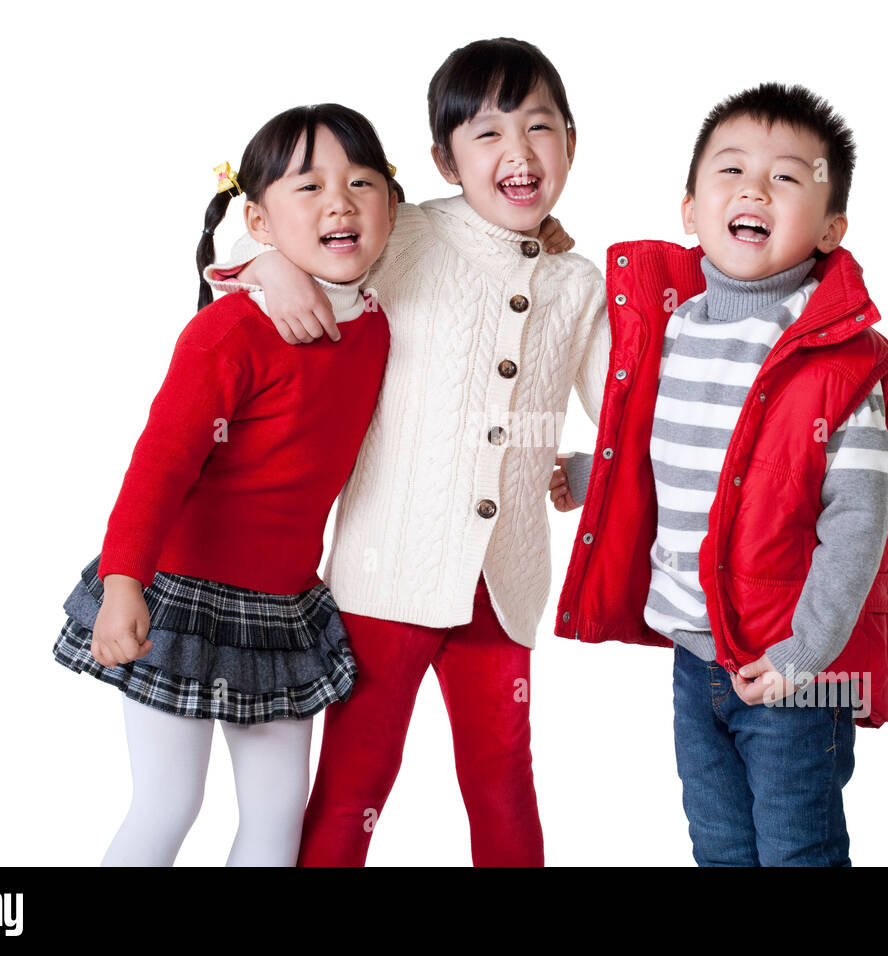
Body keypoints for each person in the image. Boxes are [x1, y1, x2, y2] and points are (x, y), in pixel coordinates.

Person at [203, 37, 606, 866]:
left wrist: (591, 467)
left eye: (540, 128)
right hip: (387, 573)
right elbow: (296, 231)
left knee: (501, 779)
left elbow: (622, 409)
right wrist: (269, 266)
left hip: (504, 581)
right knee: (357, 780)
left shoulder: (581, 283)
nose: (519, 152)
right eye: (487, 134)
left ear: (571, 141)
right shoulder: (406, 232)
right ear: (442, 160)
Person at [550, 82, 888, 866]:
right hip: (695, 660)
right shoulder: (672, 328)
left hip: (794, 672)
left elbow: (859, 521)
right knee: (719, 848)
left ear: (831, 228)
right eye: (731, 170)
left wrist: (801, 657)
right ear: (689, 209)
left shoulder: (839, 361)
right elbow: (668, 456)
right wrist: (587, 474)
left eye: (786, 177)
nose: (753, 187)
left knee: (796, 851)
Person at [51, 104, 398, 866]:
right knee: (169, 803)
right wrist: (122, 583)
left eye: (362, 182)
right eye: (309, 187)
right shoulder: (231, 331)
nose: (341, 201)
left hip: (281, 612)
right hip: (176, 597)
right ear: (259, 221)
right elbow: (159, 464)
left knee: (277, 822)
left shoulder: (377, 322)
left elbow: (460, 244)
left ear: (393, 207)